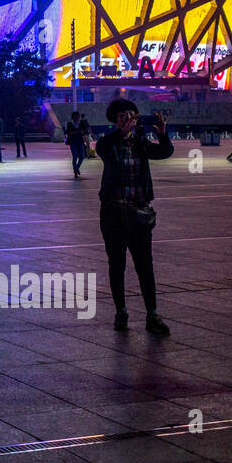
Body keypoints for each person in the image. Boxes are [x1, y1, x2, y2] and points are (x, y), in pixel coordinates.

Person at [97, 99, 173, 335]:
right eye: (122, 116)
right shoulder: (108, 143)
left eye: (131, 115)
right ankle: (121, 311)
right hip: (114, 214)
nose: (128, 119)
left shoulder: (141, 143)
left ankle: (152, 314)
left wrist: (162, 134)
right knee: (117, 264)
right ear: (114, 120)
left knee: (145, 265)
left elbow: (165, 151)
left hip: (139, 214)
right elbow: (102, 148)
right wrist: (122, 132)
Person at [66, 110, 88, 179]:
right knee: (75, 156)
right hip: (73, 142)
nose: (77, 118)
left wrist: (82, 131)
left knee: (82, 156)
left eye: (78, 117)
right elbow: (69, 133)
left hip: (80, 142)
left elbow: (85, 131)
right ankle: (75, 171)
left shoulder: (81, 123)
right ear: (73, 117)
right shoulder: (70, 124)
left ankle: (76, 168)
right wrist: (78, 131)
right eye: (75, 117)